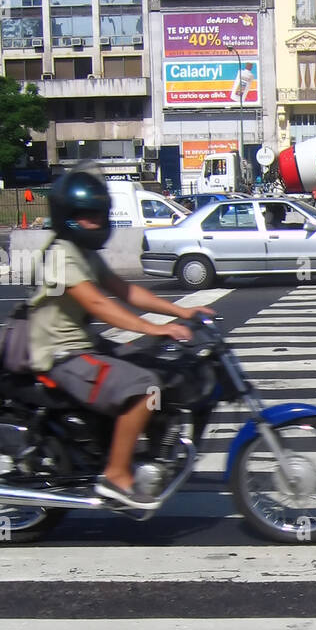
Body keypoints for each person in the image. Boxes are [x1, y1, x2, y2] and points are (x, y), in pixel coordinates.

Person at [26, 165, 214, 507]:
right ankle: (115, 475)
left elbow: (125, 291)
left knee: (162, 372)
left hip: (82, 346)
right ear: (67, 216)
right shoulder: (59, 256)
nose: (94, 221)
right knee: (145, 390)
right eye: (85, 216)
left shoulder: (83, 252)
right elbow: (98, 304)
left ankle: (145, 449)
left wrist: (183, 312)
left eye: (98, 214)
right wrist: (155, 328)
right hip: (61, 355)